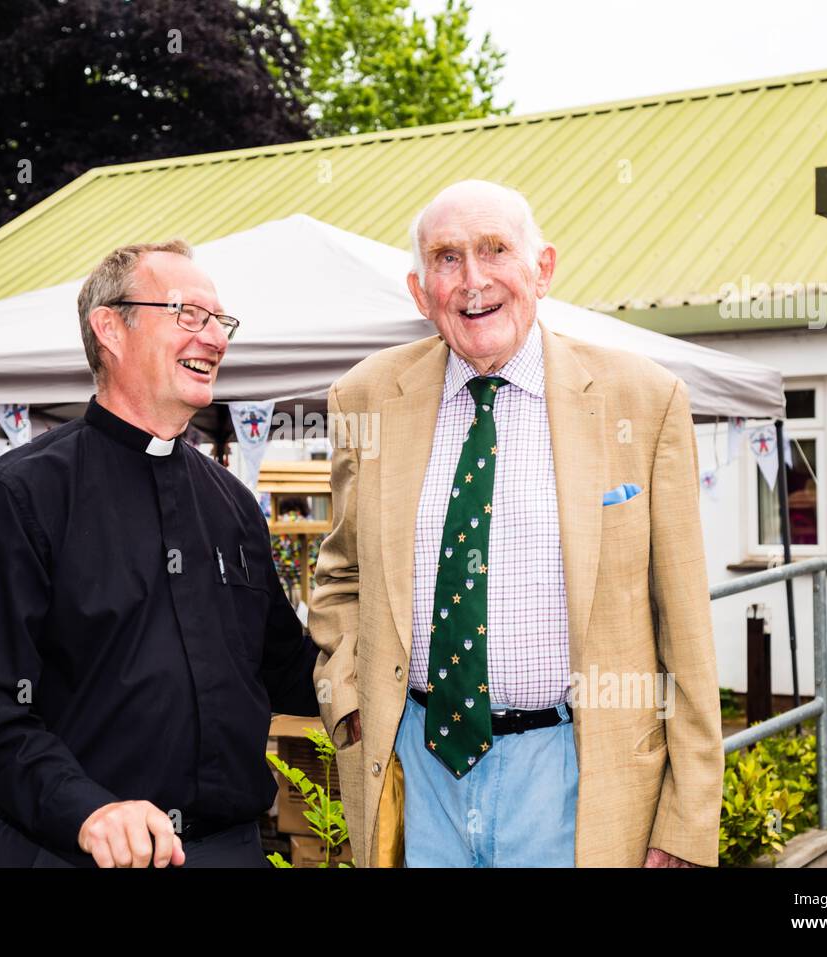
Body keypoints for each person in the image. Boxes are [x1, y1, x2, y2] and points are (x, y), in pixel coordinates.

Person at [310, 180, 724, 868]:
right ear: (420, 291)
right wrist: (349, 702)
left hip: (576, 775)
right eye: (447, 258)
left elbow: (685, 628)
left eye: (495, 250)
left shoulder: (644, 400)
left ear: (543, 268)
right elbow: (340, 574)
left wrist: (685, 819)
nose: (472, 280)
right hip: (420, 769)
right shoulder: (365, 398)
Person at [0, 239, 320, 868]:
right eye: (188, 315)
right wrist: (84, 807)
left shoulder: (233, 504)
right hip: (73, 852)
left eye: (220, 321)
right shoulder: (20, 494)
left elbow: (289, 667)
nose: (215, 338)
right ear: (110, 328)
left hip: (230, 851)